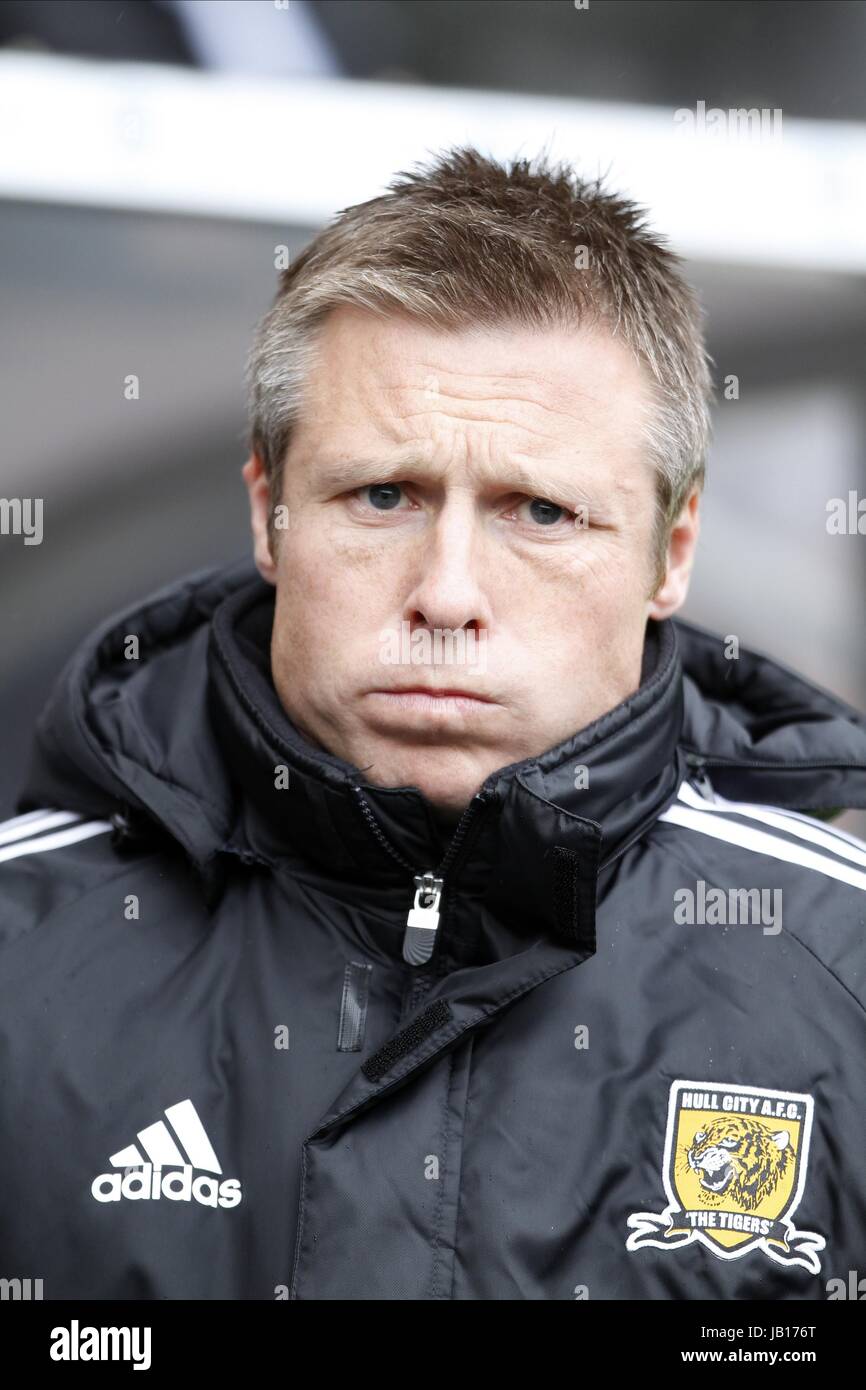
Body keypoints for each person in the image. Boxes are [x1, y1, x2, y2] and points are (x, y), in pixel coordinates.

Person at [2, 147, 865, 1300]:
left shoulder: (839, 975)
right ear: (270, 513)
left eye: (540, 511)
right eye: (383, 495)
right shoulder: (25, 954)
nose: (446, 592)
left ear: (673, 550)